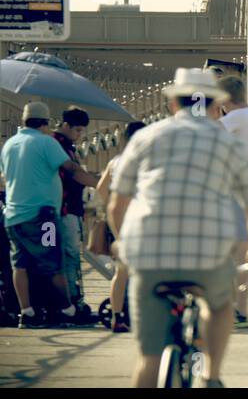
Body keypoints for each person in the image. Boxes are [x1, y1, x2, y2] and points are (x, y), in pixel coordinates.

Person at [109, 68, 248, 388]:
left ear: (173, 105)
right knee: (220, 304)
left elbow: (116, 205)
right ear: (214, 105)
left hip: (149, 253)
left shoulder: (146, 138)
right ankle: (211, 374)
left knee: (149, 360)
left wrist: (122, 243)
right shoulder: (229, 144)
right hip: (208, 254)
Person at [1, 103, 96, 328]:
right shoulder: (46, 142)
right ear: (44, 123)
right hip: (43, 219)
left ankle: (27, 313)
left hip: (14, 217)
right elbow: (71, 170)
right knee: (53, 263)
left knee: (20, 265)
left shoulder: (9, 144)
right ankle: (67, 310)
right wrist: (99, 183)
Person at [95, 120, 146, 333]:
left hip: (119, 223)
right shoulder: (147, 161)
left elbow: (100, 190)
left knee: (121, 272)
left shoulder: (116, 162)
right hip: (142, 222)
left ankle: (117, 317)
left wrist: (102, 213)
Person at [52, 107, 100, 318]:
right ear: (65, 125)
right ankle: (70, 300)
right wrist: (102, 183)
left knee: (70, 254)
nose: (80, 135)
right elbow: (73, 174)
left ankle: (73, 299)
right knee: (68, 254)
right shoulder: (57, 145)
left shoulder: (67, 146)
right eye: (78, 130)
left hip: (70, 208)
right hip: (64, 209)